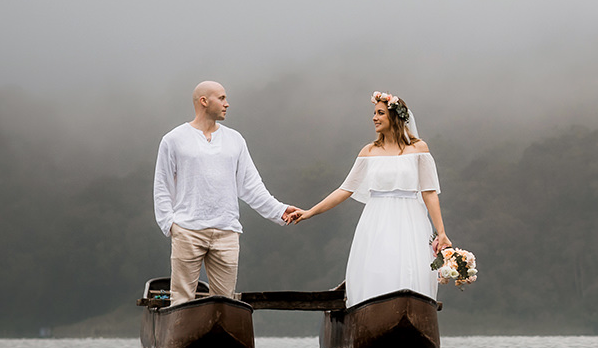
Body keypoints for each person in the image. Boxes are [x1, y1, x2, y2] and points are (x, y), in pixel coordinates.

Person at [289, 91, 453, 306]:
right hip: (377, 218)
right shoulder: (369, 151)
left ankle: (411, 311)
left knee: (410, 268)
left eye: (380, 113)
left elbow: (429, 192)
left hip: (410, 218)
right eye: (374, 113)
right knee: (379, 267)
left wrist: (441, 232)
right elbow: (344, 190)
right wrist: (310, 212)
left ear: (395, 117)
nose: (374, 118)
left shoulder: (419, 149)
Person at [152, 80, 295, 306]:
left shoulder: (235, 140)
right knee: (181, 301)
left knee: (224, 302)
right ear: (204, 101)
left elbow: (250, 185)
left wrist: (279, 211)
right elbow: (162, 186)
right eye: (222, 98)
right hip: (187, 230)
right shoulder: (173, 139)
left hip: (226, 231)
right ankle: (180, 340)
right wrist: (170, 224)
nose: (227, 104)